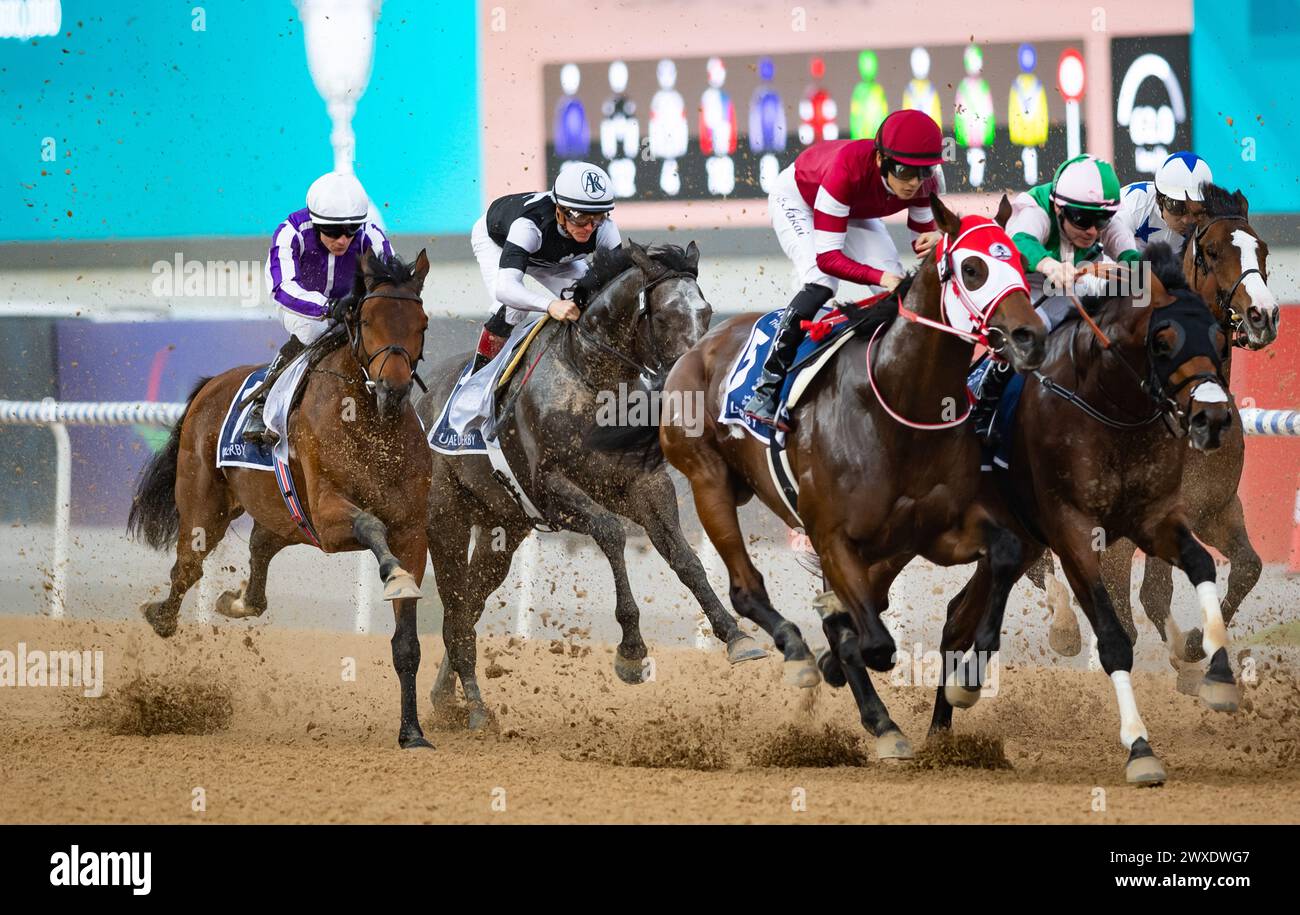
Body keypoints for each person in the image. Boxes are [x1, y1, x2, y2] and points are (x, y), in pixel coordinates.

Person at [744, 108, 945, 429]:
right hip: (801, 199)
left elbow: (922, 245)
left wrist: (939, 239)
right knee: (822, 281)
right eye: (906, 171)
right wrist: (880, 276)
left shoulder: (927, 182)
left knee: (895, 294)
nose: (914, 183)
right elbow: (828, 258)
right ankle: (765, 389)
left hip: (851, 207)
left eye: (924, 172)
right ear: (881, 159)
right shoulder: (845, 171)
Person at [971, 154, 1139, 445]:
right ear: (1059, 208)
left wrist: (1133, 273)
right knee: (1032, 333)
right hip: (1029, 282)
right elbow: (1022, 242)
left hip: (1076, 277)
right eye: (1082, 220)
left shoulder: (1100, 219)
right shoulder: (1034, 210)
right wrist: (1050, 266)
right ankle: (986, 404)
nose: (1092, 231)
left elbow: (1134, 262)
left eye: (1102, 221)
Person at [244, 171, 393, 444]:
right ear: (314, 223)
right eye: (333, 232)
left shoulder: (371, 235)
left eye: (351, 231)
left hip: (351, 303)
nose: (343, 240)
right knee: (314, 331)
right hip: (301, 304)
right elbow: (283, 288)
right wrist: (327, 307)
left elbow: (390, 283)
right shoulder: (290, 233)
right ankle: (263, 402)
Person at [470, 161, 621, 373]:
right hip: (499, 241)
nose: (589, 227)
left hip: (553, 257)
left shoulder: (606, 228)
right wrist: (550, 305)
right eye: (580, 217)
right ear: (560, 211)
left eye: (597, 217)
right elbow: (505, 289)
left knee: (594, 299)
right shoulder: (528, 225)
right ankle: (477, 375)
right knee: (513, 309)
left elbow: (618, 283)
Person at [1112, 151, 1214, 256]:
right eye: (1177, 207)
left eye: (1195, 210)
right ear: (1159, 199)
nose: (1187, 220)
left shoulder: (1212, 222)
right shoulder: (1131, 205)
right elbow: (1104, 262)